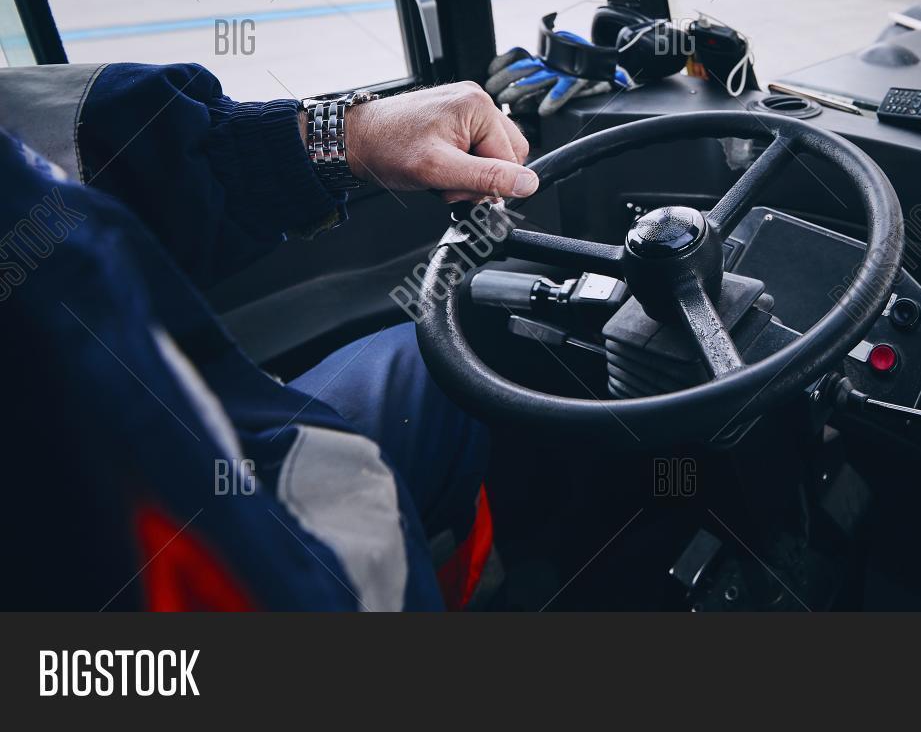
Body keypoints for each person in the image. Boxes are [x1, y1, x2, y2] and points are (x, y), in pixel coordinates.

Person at [1, 61, 537, 610]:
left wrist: (342, 134)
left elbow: (78, 153)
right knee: (440, 372)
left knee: (415, 363)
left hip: (183, 431)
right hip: (239, 554)